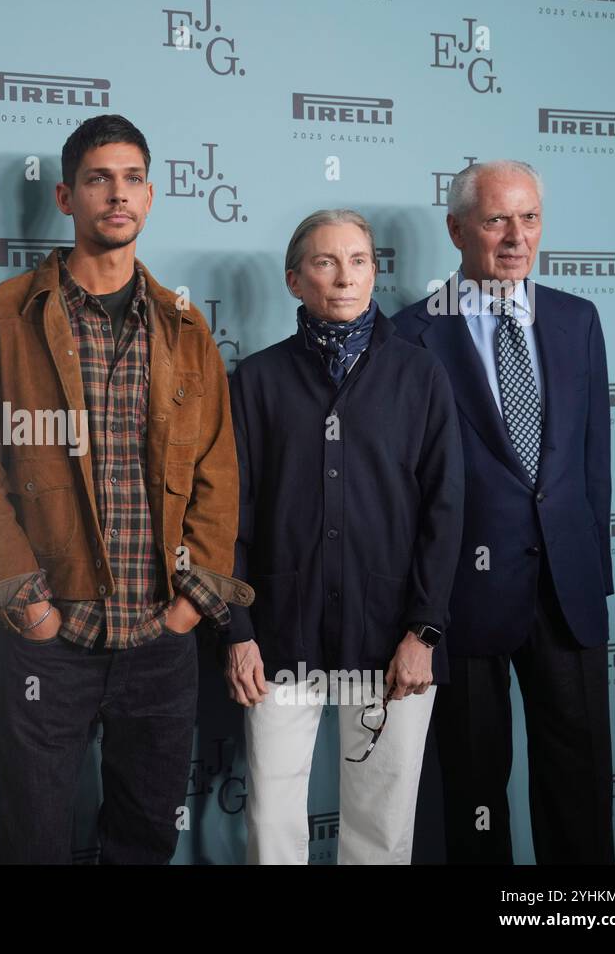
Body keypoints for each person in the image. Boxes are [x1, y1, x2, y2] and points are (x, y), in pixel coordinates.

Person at [0, 114, 251, 864]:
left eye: (130, 181)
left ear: (149, 197)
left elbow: (219, 472)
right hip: (52, 637)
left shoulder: (185, 327)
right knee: (32, 839)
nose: (115, 196)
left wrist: (191, 608)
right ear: (65, 195)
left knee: (145, 837)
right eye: (97, 179)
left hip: (161, 636)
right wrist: (28, 604)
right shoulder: (5, 315)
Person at [392, 160, 615, 864]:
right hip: (463, 601)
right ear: (457, 229)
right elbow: (407, 488)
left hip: (565, 595)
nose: (516, 237)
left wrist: (593, 576)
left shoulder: (579, 320)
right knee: (476, 795)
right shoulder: (411, 335)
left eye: (529, 218)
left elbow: (592, 465)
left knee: (577, 789)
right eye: (495, 220)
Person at [225, 209, 463, 864]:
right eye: (325, 263)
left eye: (358, 260)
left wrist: (425, 633)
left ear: (374, 272)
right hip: (279, 630)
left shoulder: (420, 377)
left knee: (382, 827)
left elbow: (445, 513)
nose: (344, 277)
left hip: (392, 636)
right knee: (272, 818)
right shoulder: (258, 381)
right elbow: (229, 515)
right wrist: (239, 631)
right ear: (295, 279)